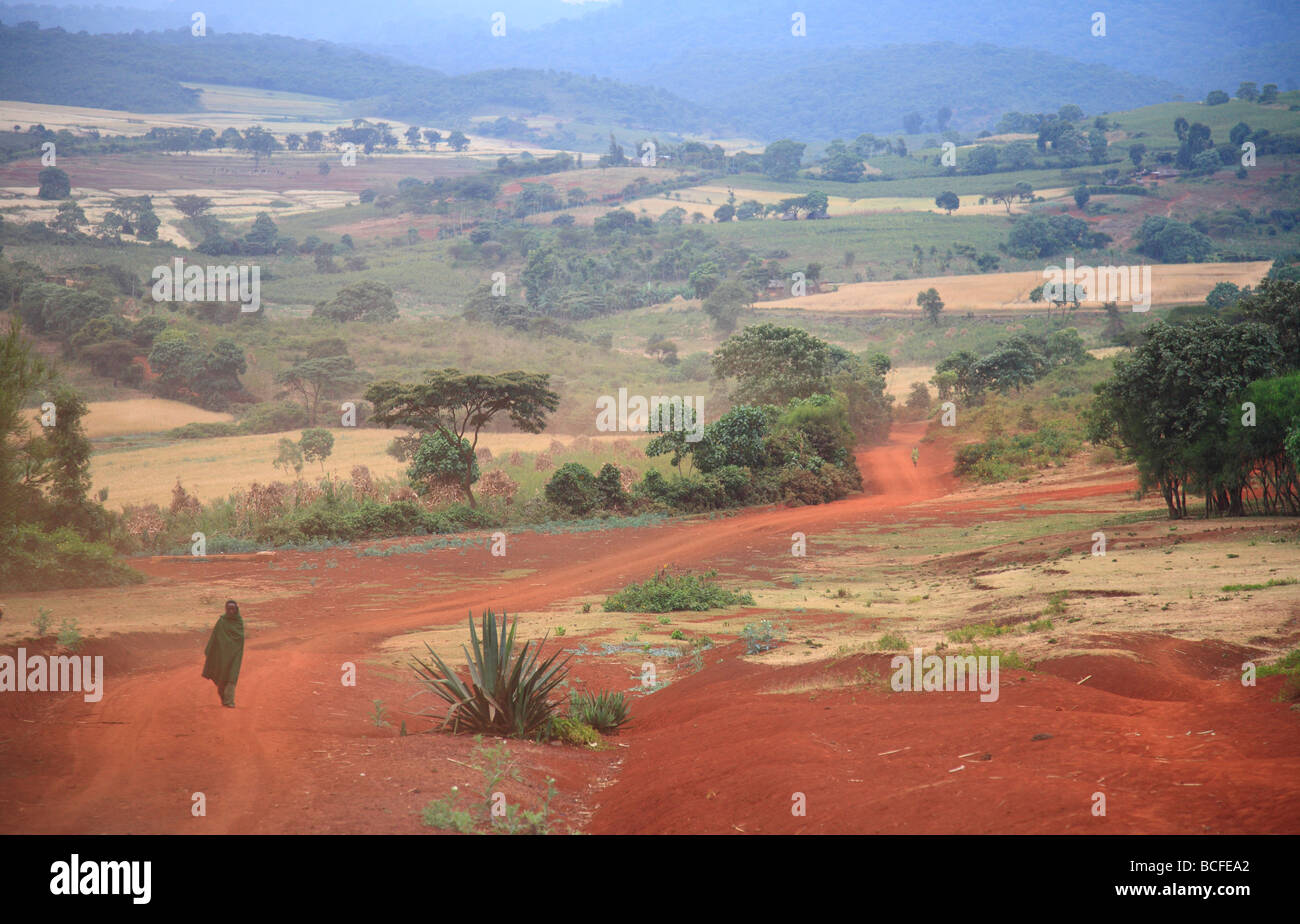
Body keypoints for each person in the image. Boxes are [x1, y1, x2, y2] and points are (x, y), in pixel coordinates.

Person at [202, 599, 244, 708]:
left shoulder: (239, 622)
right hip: (222, 655)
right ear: (226, 609)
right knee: (222, 677)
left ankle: (229, 701)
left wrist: (234, 649)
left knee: (232, 676)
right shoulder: (221, 622)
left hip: (235, 655)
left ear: (236, 610)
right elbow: (214, 638)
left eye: (233, 609)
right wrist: (210, 651)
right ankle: (224, 699)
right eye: (229, 609)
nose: (231, 611)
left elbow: (240, 639)